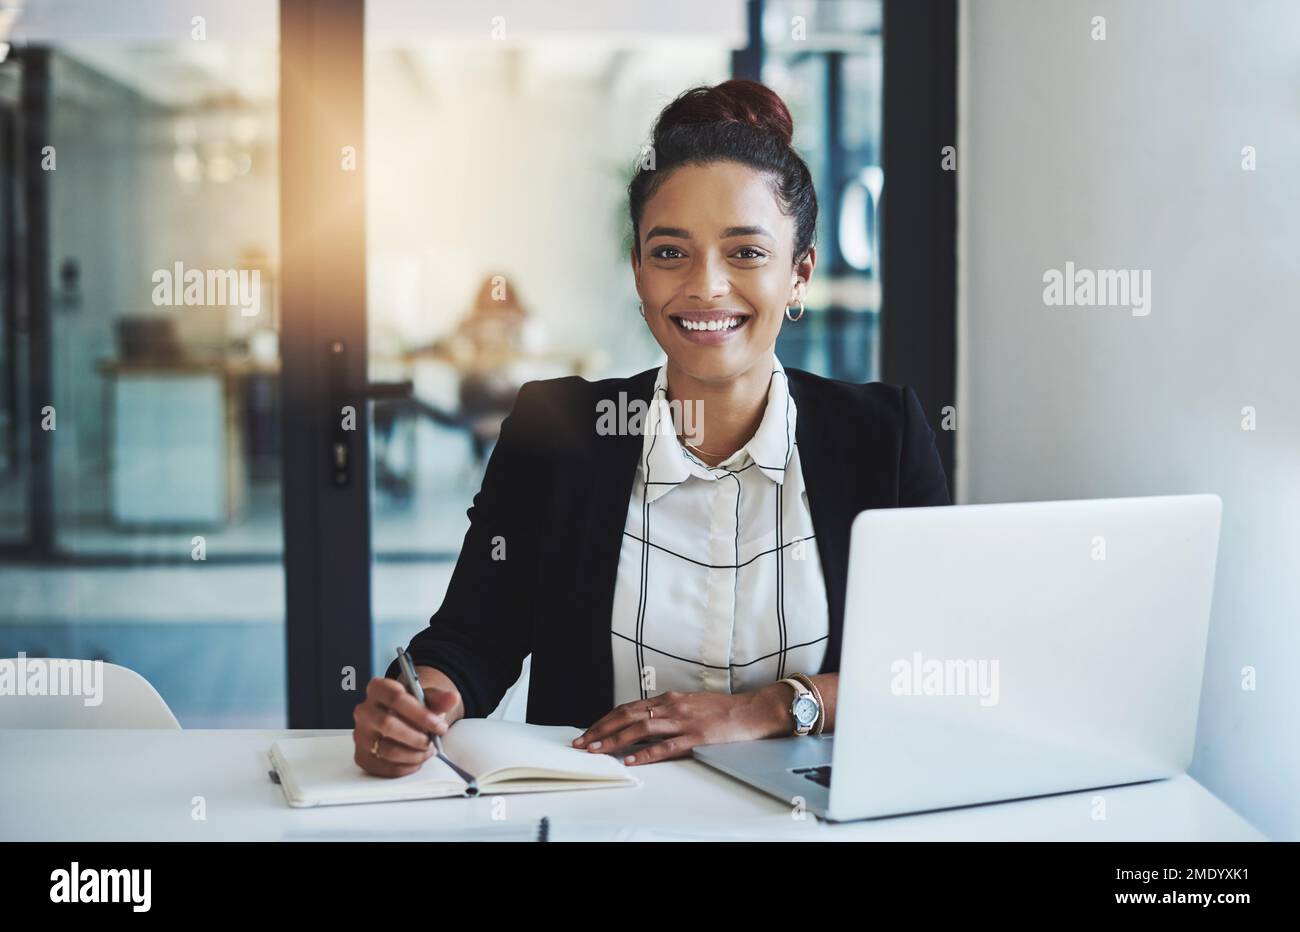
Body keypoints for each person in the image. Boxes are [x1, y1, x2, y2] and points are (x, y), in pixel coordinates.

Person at [352, 78, 950, 777]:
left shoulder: (883, 436)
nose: (705, 286)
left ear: (799, 274)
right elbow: (472, 641)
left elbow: (935, 666)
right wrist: (421, 705)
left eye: (746, 253)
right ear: (638, 271)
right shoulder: (558, 431)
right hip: (603, 816)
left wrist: (768, 707)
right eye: (670, 252)